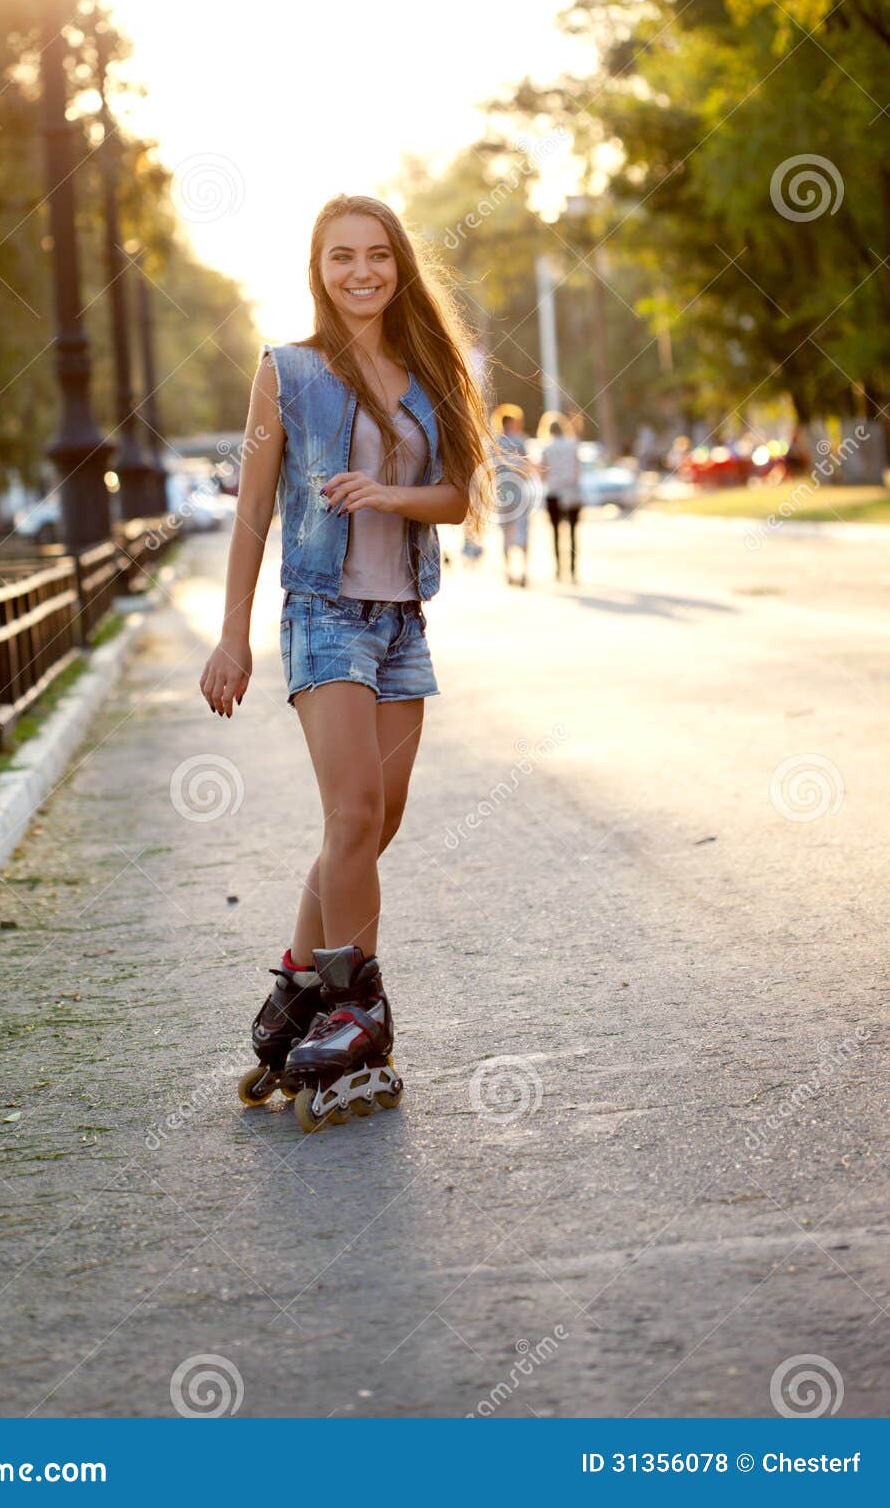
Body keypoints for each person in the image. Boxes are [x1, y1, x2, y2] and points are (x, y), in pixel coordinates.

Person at [199, 194, 490, 1131]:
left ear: (398, 265)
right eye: (340, 258)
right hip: (322, 615)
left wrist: (388, 494)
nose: (360, 272)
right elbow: (252, 511)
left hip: (401, 620)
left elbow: (455, 498)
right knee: (353, 813)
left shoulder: (428, 370)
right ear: (317, 270)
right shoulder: (286, 372)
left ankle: (295, 982)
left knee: (373, 825)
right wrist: (231, 634)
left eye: (376, 256)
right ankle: (352, 1010)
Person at [492, 403, 536, 587]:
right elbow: (528, 467)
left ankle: (508, 571)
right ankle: (524, 571)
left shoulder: (494, 442)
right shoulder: (520, 441)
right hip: (519, 492)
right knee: (523, 531)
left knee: (505, 533)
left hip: (502, 492)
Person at [536, 414, 582, 582]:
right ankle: (573, 570)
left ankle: (558, 569)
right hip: (572, 493)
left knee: (555, 533)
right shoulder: (573, 445)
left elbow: (542, 474)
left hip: (554, 493)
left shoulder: (546, 447)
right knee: (572, 534)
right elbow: (578, 470)